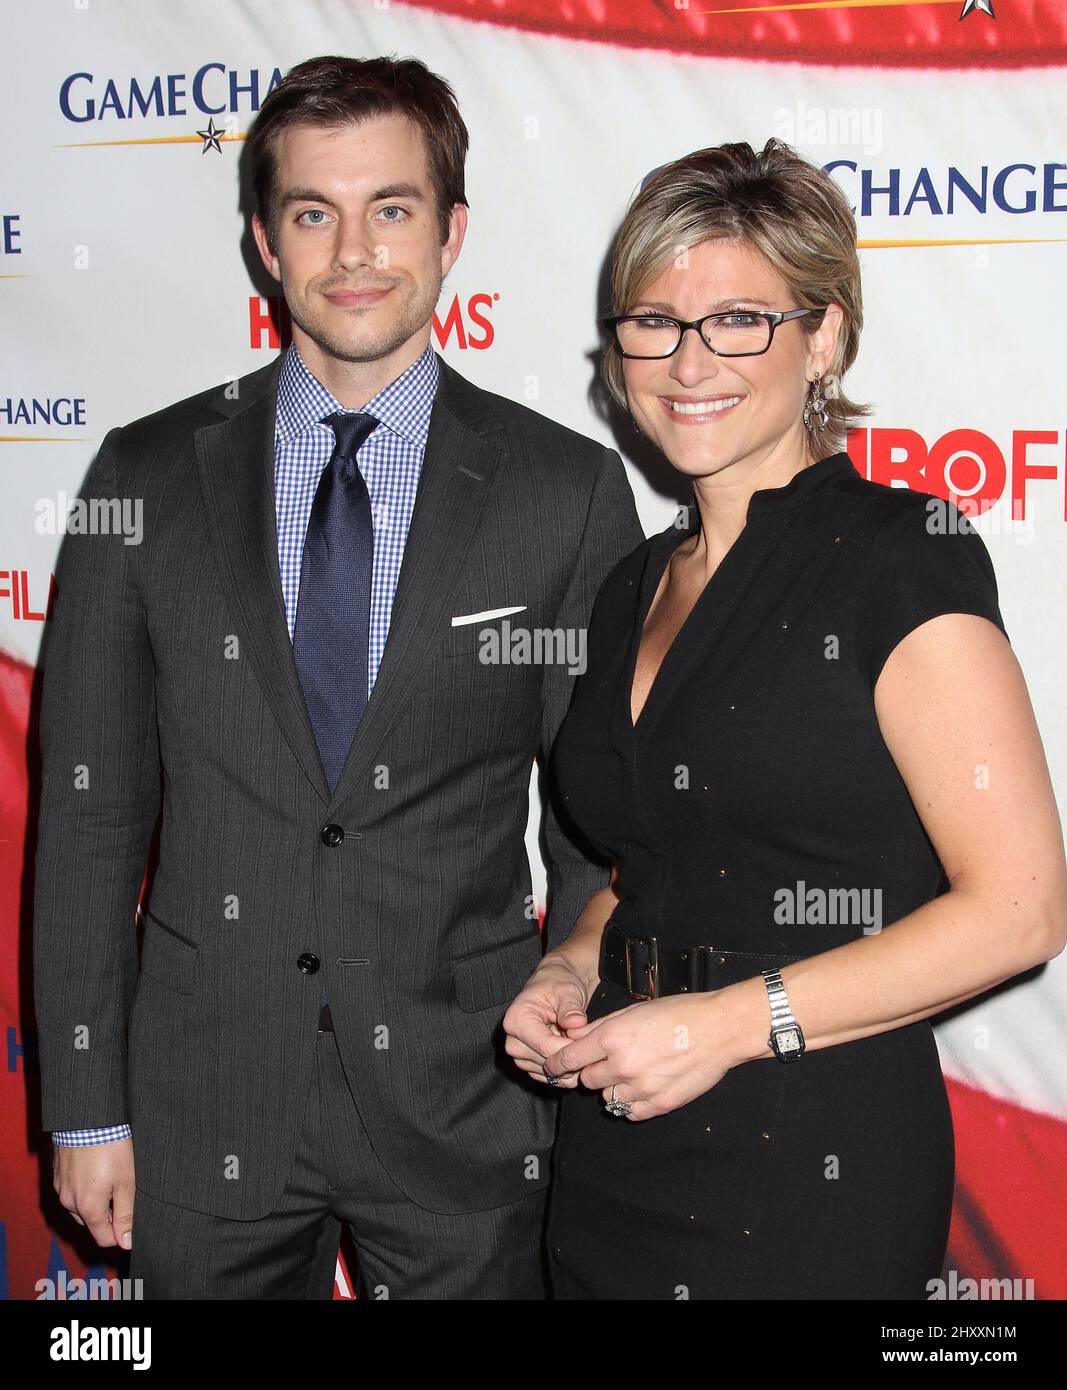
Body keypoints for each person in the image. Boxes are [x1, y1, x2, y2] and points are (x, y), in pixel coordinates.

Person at [33, 55, 642, 1300]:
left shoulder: (561, 492)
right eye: (313, 212)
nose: (353, 250)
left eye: (393, 208)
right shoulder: (140, 479)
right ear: (264, 242)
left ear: (452, 230)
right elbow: (91, 820)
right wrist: (87, 1108)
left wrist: (579, 1027)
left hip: (471, 1092)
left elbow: (599, 821)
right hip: (206, 1104)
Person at [503, 138, 1067, 1300]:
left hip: (809, 1148)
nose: (687, 361)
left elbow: (1020, 907)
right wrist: (566, 964)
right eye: (652, 321)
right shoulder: (631, 585)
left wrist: (718, 1026)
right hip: (618, 1132)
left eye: (738, 321)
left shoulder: (896, 556)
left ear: (824, 338)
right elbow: (654, 862)